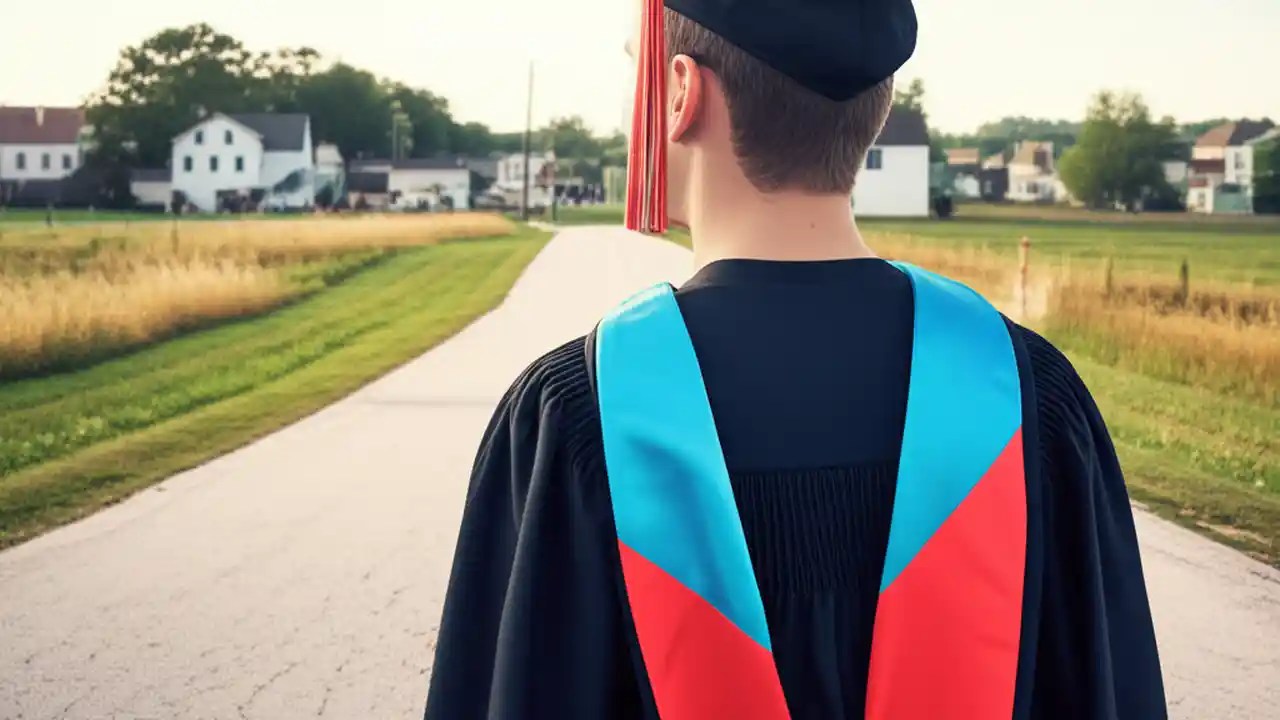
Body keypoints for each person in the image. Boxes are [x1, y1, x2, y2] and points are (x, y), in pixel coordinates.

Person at [425, 1, 1166, 718]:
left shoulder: (576, 416)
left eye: (634, 70)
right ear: (876, 108)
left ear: (680, 92)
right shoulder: (1027, 397)